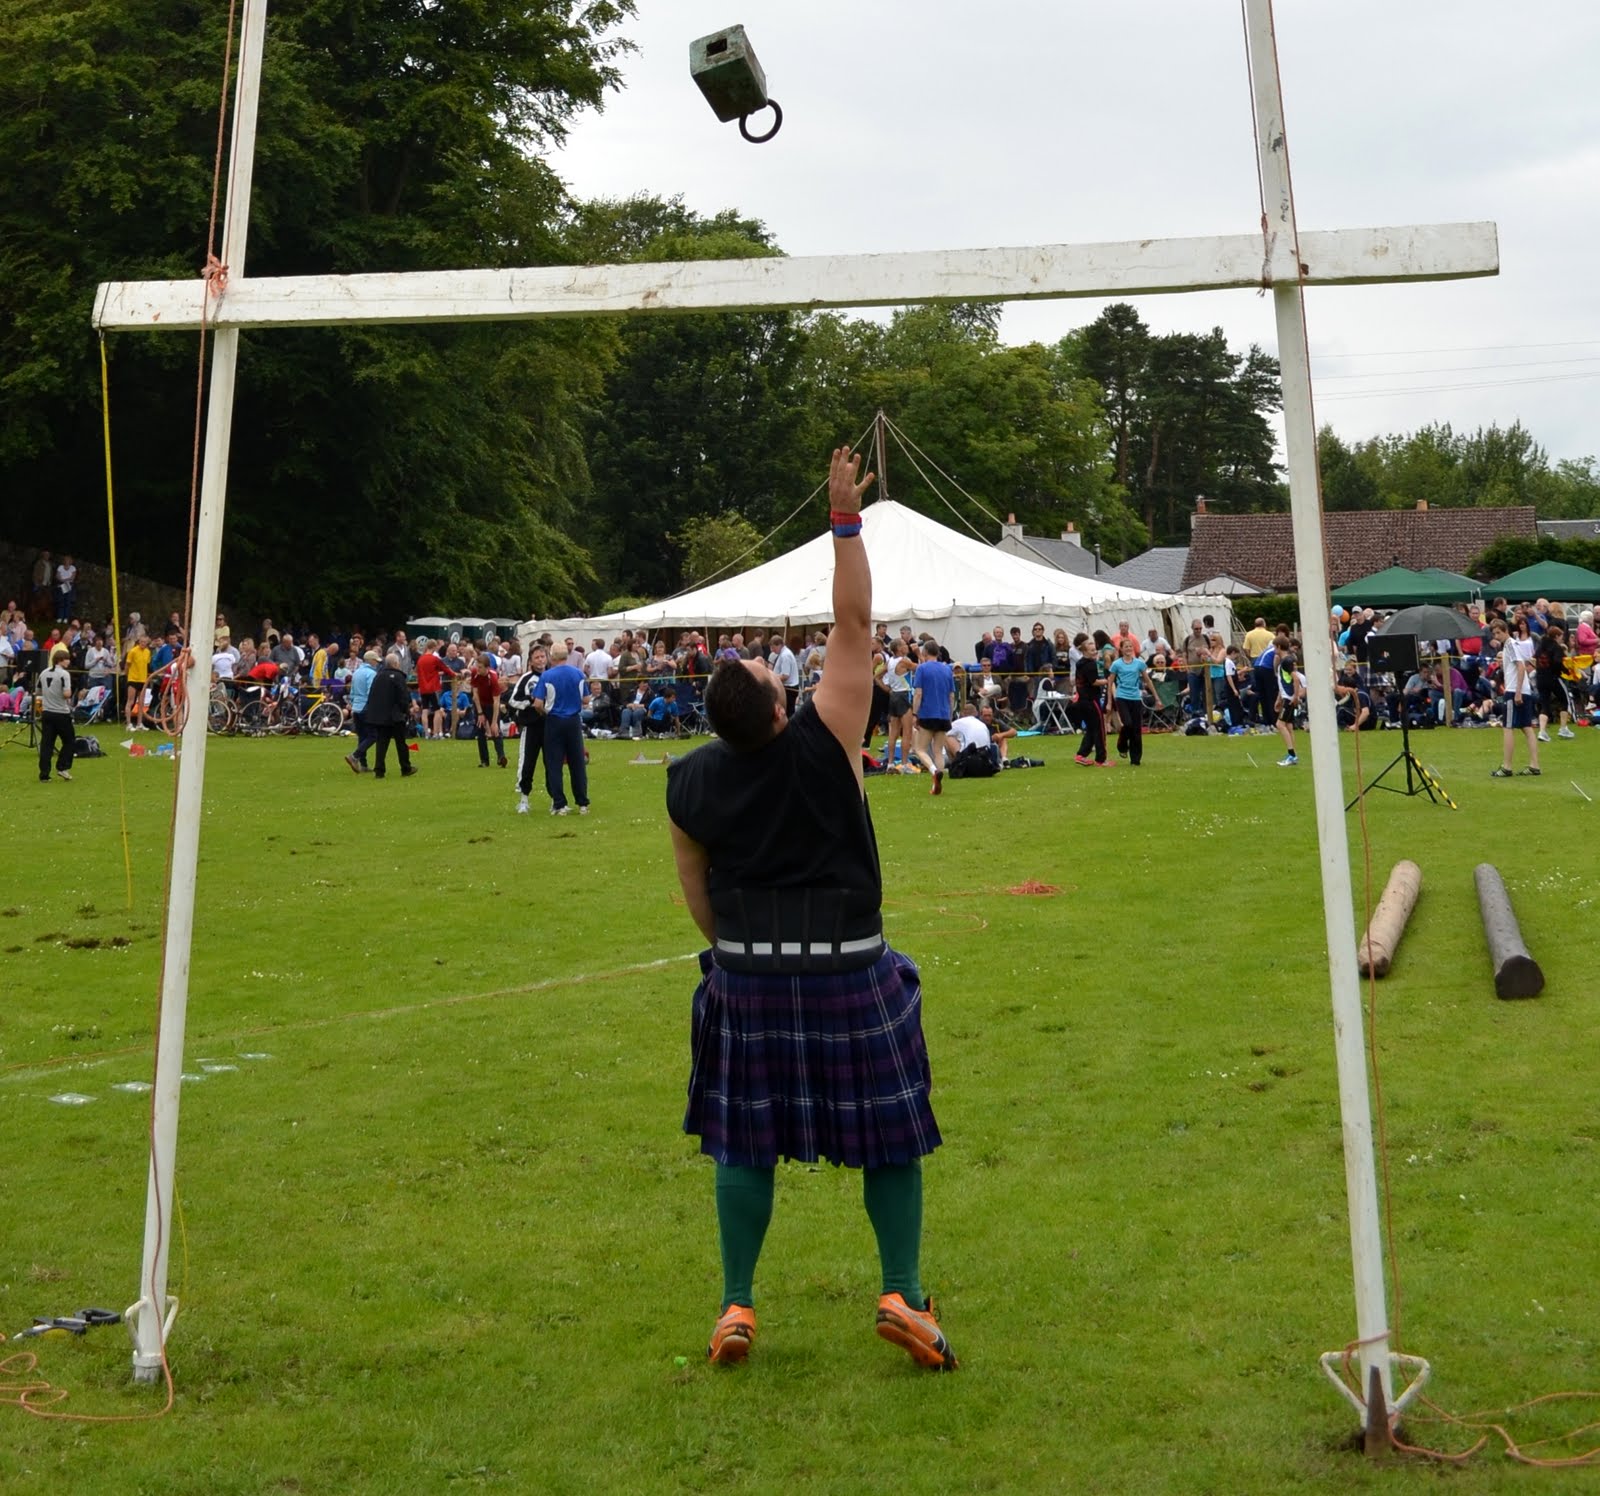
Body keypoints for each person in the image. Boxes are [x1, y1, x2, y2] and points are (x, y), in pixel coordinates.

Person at [665, 445, 955, 1373]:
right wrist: (843, 521)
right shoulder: (829, 733)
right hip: (849, 968)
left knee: (742, 1144)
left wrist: (743, 956)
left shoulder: (687, 782)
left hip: (747, 975)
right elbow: (855, 619)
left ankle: (735, 1305)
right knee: (891, 1136)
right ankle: (902, 1293)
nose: (764, 659)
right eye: (762, 665)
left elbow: (698, 899)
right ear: (777, 706)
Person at [540, 644, 589, 815]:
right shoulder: (578, 674)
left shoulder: (547, 675)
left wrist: (545, 711)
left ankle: (559, 804)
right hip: (573, 721)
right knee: (577, 763)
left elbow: (538, 702)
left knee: (554, 763)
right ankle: (582, 803)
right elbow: (586, 699)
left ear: (552, 656)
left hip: (554, 720)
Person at [1492, 617, 1540, 778]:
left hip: (1514, 690)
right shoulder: (1512, 645)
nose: (1496, 636)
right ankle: (1534, 765)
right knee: (1527, 727)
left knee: (1507, 727)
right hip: (1522, 690)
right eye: (1494, 633)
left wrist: (1517, 692)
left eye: (1498, 632)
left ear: (1505, 631)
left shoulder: (1510, 645)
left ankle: (1507, 766)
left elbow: (1521, 667)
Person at [910, 640, 956, 795]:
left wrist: (915, 713)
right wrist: (950, 715)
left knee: (920, 749)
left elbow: (918, 694)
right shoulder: (947, 669)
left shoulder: (922, 669)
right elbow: (951, 695)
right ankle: (937, 784)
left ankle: (934, 771)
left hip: (927, 714)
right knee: (938, 750)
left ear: (925, 652)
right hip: (943, 714)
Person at [507, 645, 548, 813]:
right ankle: (524, 799)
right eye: (537, 657)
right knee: (527, 762)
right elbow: (513, 700)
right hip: (532, 726)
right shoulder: (526, 678)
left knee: (552, 763)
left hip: (550, 726)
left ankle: (556, 800)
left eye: (542, 656)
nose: (540, 660)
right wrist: (531, 701)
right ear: (531, 661)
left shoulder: (552, 675)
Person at [365, 650, 416, 779]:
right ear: (395, 664)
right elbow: (403, 697)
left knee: (381, 743)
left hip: (381, 716)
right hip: (395, 716)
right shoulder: (398, 677)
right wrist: (406, 711)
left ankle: (379, 770)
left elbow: (372, 696)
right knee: (401, 743)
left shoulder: (378, 676)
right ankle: (405, 768)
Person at [1107, 636, 1150, 766]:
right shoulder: (1116, 664)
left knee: (1136, 729)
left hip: (1135, 698)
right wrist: (1109, 701)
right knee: (1128, 724)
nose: (1129, 648)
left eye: (1130, 646)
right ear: (1121, 649)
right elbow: (1110, 682)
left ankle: (1135, 759)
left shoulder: (1139, 663)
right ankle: (1122, 745)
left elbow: (1147, 680)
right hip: (1122, 697)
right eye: (1126, 646)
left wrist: (1157, 697)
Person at [37, 645, 77, 781]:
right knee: (69, 741)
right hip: (61, 712)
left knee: (47, 744)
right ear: (60, 660)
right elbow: (66, 694)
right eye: (67, 659)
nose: (69, 662)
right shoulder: (64, 674)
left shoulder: (43, 673)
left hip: (47, 712)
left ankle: (44, 774)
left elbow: (38, 691)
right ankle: (62, 767)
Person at [1534, 623, 1575, 741]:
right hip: (1553, 678)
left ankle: (1542, 732)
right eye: (1561, 636)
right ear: (1556, 636)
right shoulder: (1556, 648)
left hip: (1540, 678)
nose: (1562, 638)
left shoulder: (1540, 647)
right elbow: (1558, 662)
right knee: (1564, 700)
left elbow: (1535, 659)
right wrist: (1567, 671)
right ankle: (1563, 728)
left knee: (1544, 705)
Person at [345, 648, 381, 772]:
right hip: (366, 708)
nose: (377, 663)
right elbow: (371, 692)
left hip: (356, 708)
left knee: (362, 736)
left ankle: (364, 764)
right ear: (371, 661)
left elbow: (352, 691)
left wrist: (352, 704)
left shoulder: (356, 672)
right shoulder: (371, 674)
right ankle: (354, 756)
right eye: (376, 661)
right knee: (373, 736)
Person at [468, 654, 507, 768]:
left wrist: (494, 722)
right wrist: (480, 713)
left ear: (487, 667)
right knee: (480, 730)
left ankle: (501, 757)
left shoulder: (493, 678)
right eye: (477, 666)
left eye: (480, 667)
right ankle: (484, 760)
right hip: (480, 703)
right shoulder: (475, 672)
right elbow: (475, 694)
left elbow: (496, 701)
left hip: (491, 704)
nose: (477, 669)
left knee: (495, 731)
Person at [1071, 647, 1106, 767]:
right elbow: (1094, 681)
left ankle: (1081, 755)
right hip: (1091, 700)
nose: (1095, 652)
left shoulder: (1080, 663)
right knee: (1099, 728)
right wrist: (1107, 680)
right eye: (1091, 650)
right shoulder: (1090, 664)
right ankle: (1101, 759)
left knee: (1091, 728)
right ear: (1085, 651)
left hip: (1082, 699)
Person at [1275, 650, 1305, 766]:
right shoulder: (1284, 664)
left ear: (1278, 647)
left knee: (1280, 724)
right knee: (1288, 726)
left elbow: (1295, 680)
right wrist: (1279, 698)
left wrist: (1295, 697)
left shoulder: (1285, 663)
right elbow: (1283, 682)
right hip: (1286, 697)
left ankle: (1291, 754)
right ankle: (1293, 754)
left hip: (1289, 698)